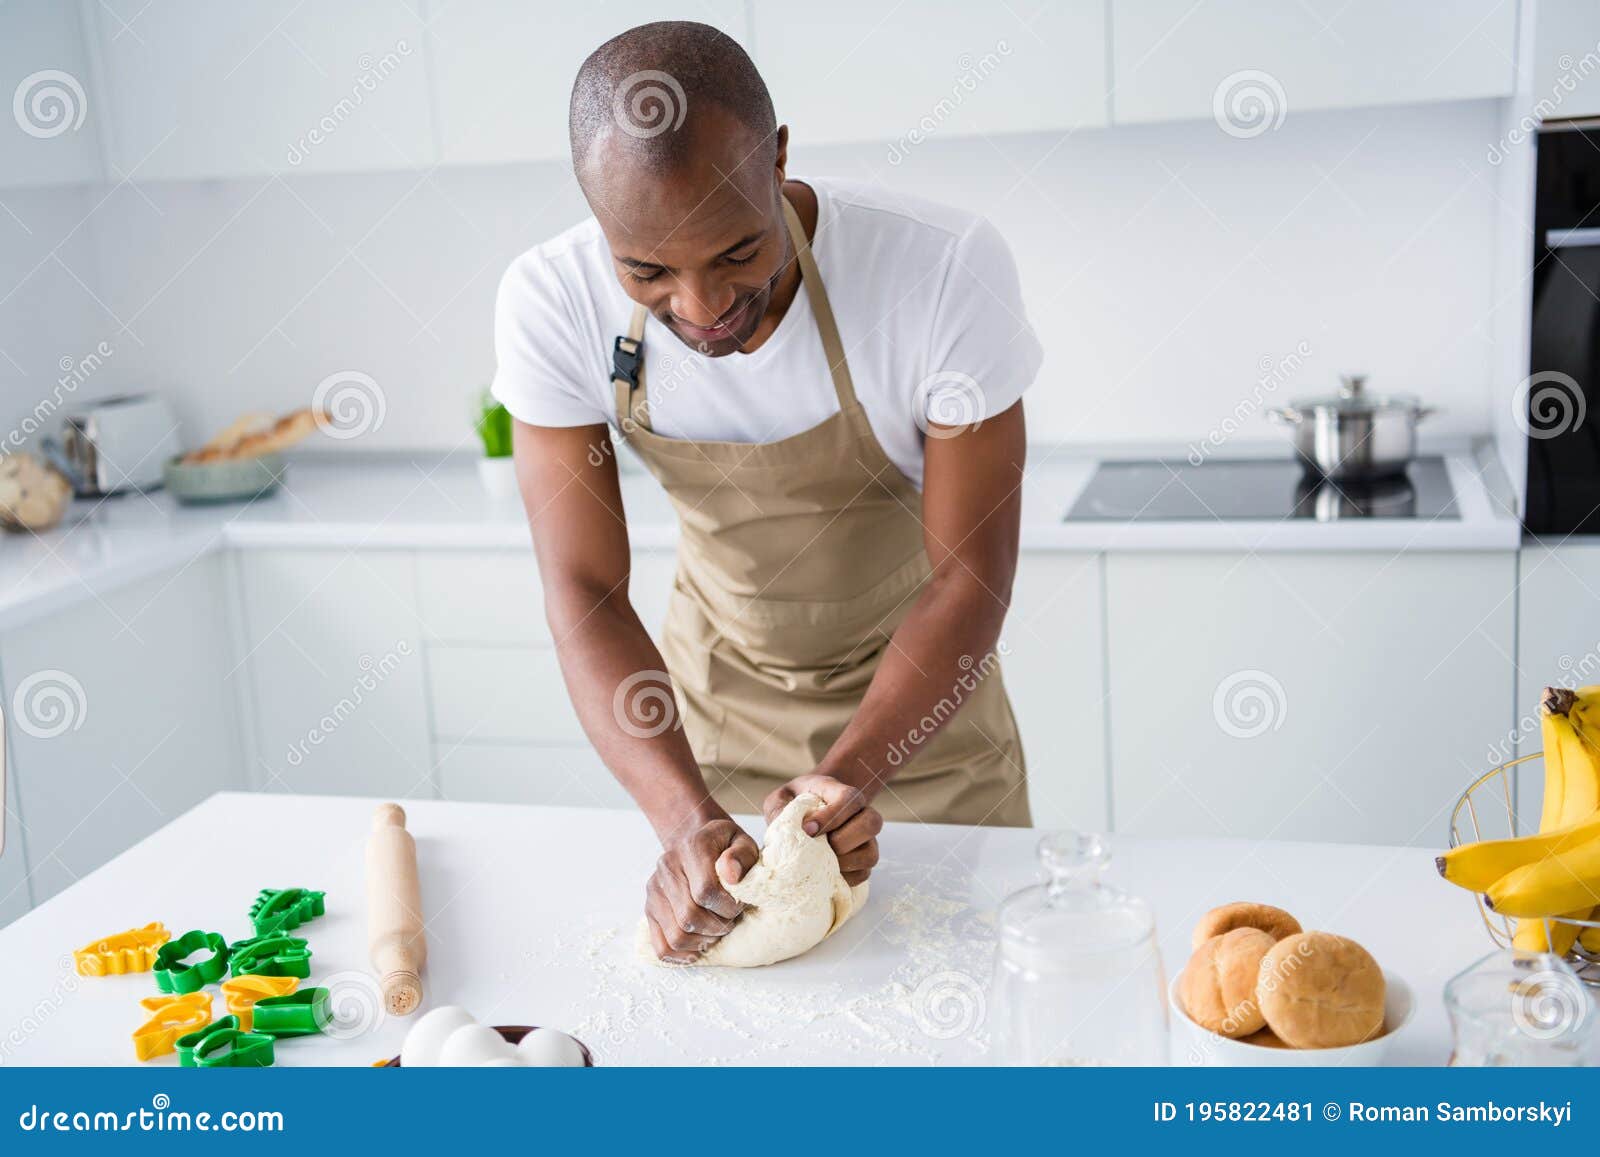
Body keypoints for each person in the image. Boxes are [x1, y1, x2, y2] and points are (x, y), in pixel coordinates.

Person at [492, 22, 1042, 961]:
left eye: (739, 251)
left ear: (779, 157)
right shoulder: (550, 302)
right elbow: (583, 590)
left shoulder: (939, 269)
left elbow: (970, 579)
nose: (703, 311)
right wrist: (683, 816)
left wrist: (847, 777)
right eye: (649, 271)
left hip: (928, 735)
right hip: (710, 729)